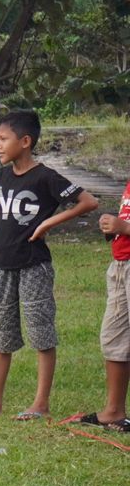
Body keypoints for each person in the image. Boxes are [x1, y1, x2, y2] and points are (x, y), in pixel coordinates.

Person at [0, 109, 99, 421]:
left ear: (26, 141)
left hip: (33, 265)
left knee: (41, 333)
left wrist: (47, 224)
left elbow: (88, 202)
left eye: (4, 139)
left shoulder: (45, 177)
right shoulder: (0, 176)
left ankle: (40, 403)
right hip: (0, 265)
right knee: (3, 335)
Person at [80, 177, 130, 430]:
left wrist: (124, 227)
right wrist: (113, 226)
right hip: (120, 267)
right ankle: (114, 410)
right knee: (114, 338)